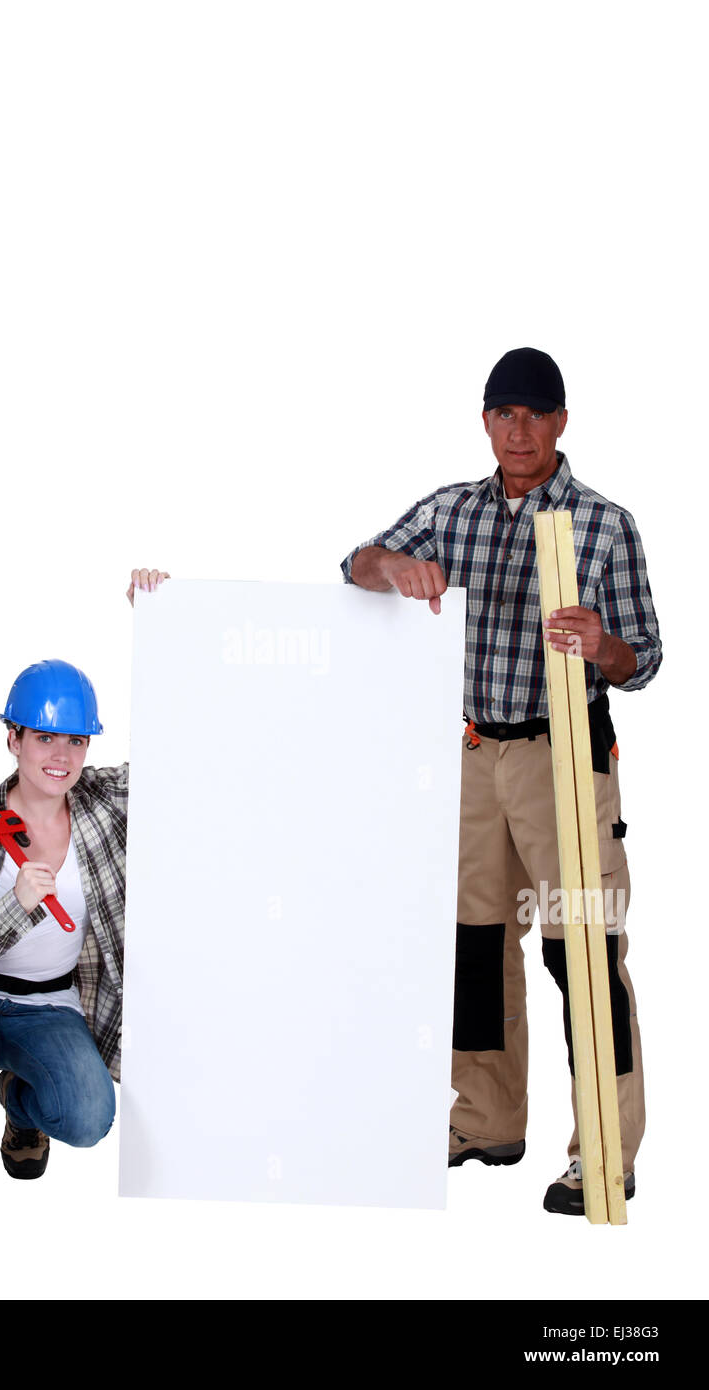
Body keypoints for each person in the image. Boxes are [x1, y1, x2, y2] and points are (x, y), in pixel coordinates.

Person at [340, 348, 661, 1214]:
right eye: (504, 414)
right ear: (485, 422)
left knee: (581, 948)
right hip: (476, 756)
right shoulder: (451, 511)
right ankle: (486, 1120)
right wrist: (393, 569)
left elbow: (645, 658)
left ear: (561, 422)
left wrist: (602, 645)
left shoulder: (603, 525)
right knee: (474, 947)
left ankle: (604, 1153)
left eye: (535, 414)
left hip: (565, 756)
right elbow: (356, 564)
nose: (519, 431)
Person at [0, 568, 169, 1224]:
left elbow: (174, 753)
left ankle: (21, 1103)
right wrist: (15, 908)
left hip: (54, 1011)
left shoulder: (103, 803)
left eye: (76, 740)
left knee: (89, 1118)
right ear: (13, 738)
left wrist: (160, 629)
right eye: (45, 737)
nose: (61, 755)